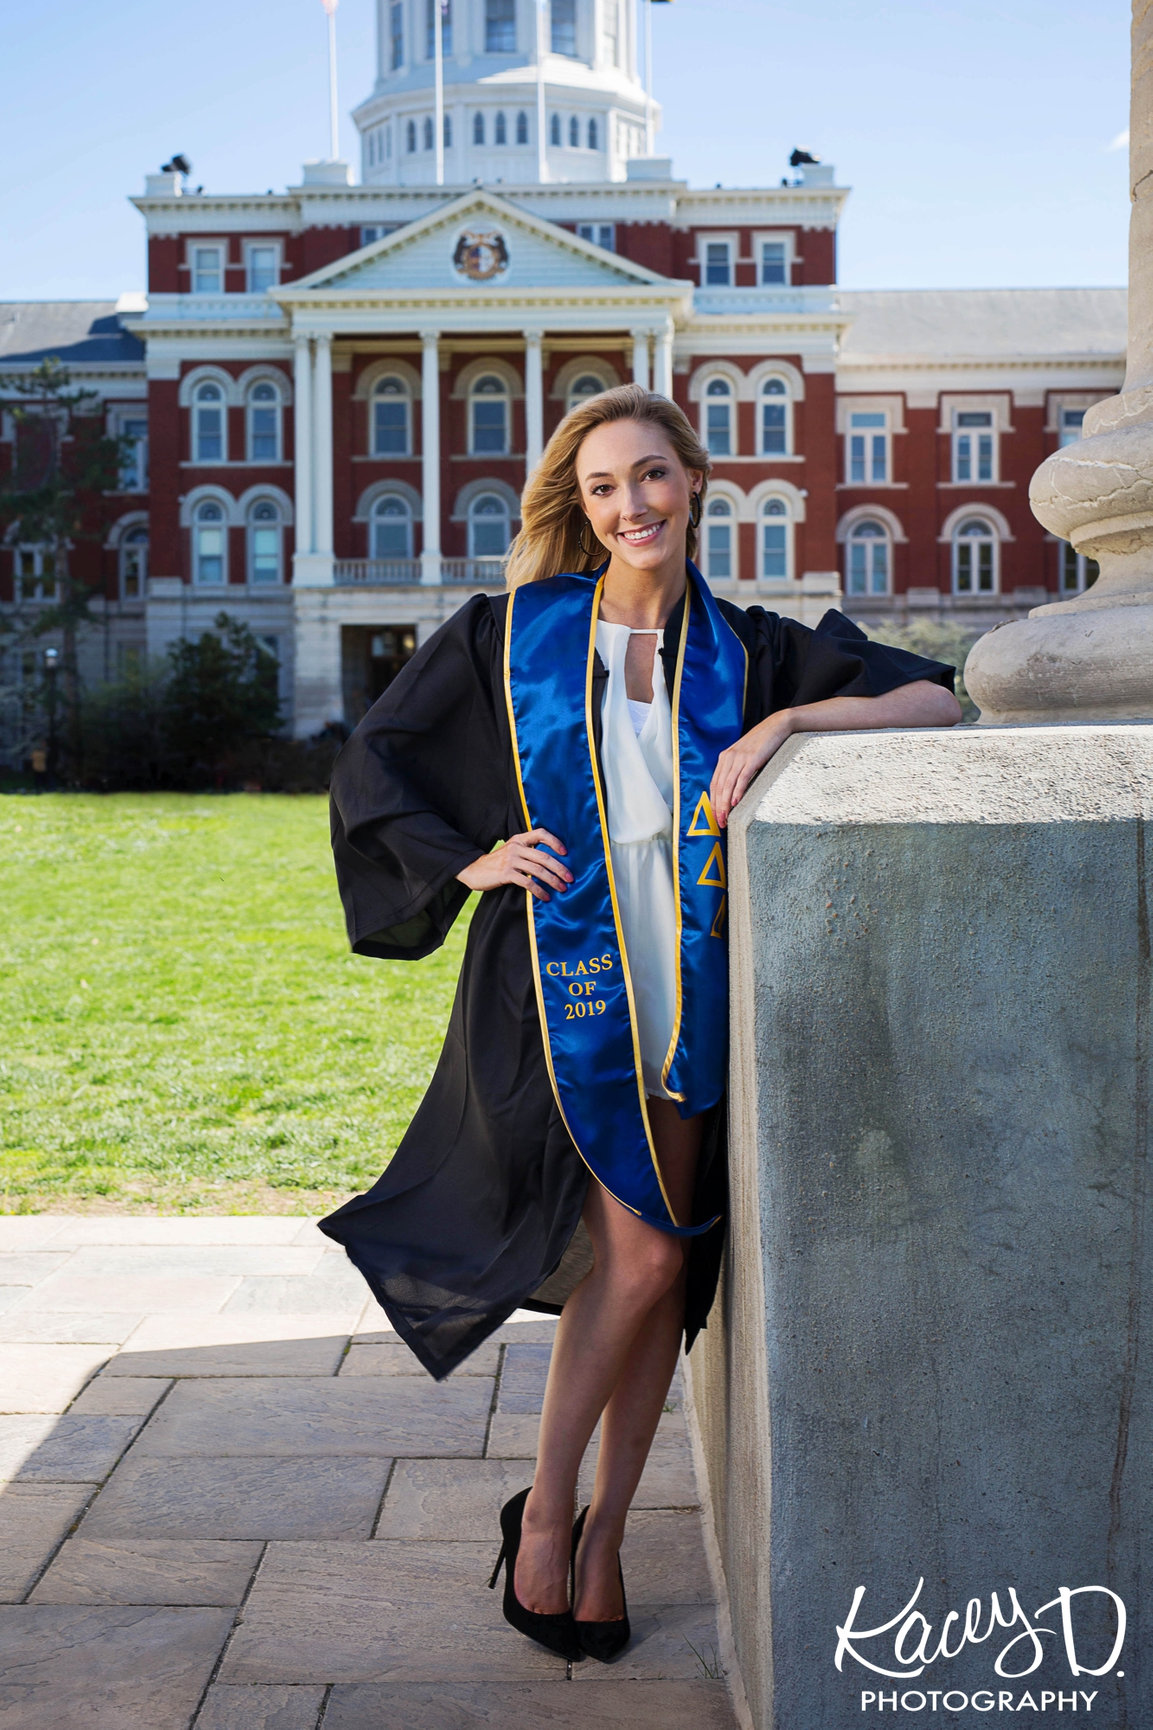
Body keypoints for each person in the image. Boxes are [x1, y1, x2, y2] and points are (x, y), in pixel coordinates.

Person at [320, 384, 960, 1663]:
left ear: (694, 484)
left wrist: (787, 720)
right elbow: (371, 759)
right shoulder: (511, 634)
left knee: (654, 1267)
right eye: (604, 486)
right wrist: (470, 860)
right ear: (581, 503)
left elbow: (932, 701)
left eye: (652, 476)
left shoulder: (751, 648)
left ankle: (595, 1528)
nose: (631, 505)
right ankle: (552, 1513)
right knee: (649, 1261)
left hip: (694, 982)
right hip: (561, 986)